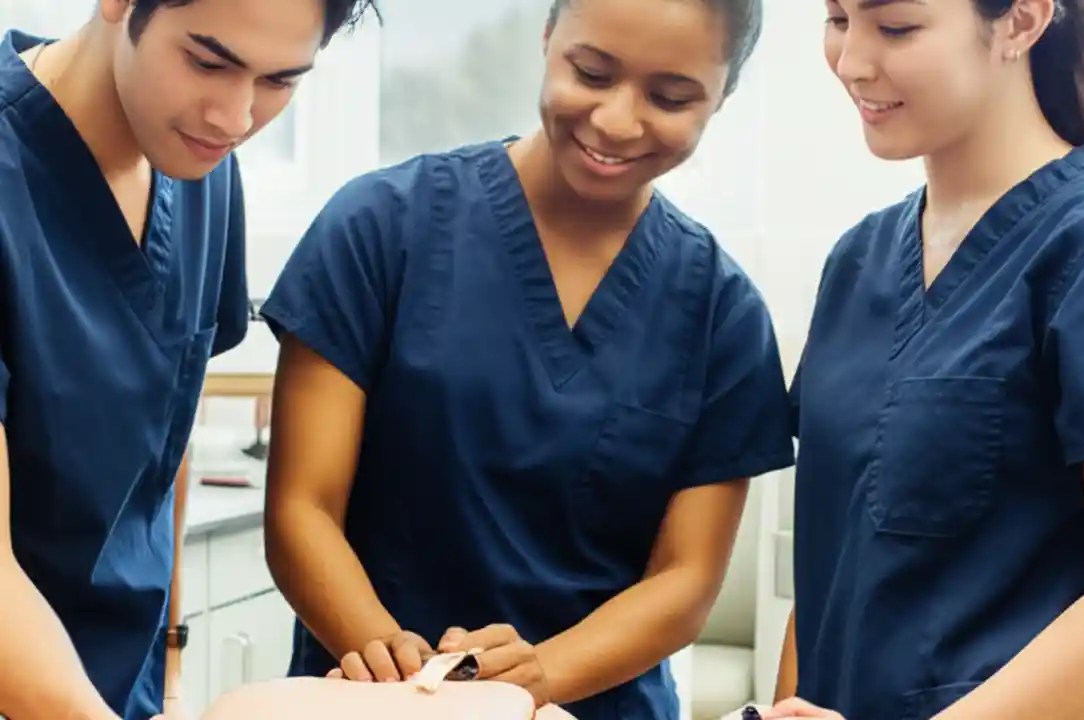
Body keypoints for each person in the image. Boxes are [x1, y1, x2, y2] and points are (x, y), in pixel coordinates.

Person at [258, 0, 793, 718]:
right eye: (592, 72)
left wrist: (532, 680)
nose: (616, 120)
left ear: (723, 94)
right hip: (373, 698)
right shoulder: (381, 229)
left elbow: (685, 581)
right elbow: (301, 510)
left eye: (670, 97)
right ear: (546, 39)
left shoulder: (722, 315)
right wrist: (417, 688)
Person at [762, 1, 1084, 719]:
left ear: (1021, 22)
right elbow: (838, 570)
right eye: (836, 18)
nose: (852, 60)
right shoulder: (858, 261)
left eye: (895, 28)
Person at [0, 1, 377, 719]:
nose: (234, 118)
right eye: (208, 61)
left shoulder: (202, 172)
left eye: (281, 81)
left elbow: (165, 450)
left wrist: (171, 671)